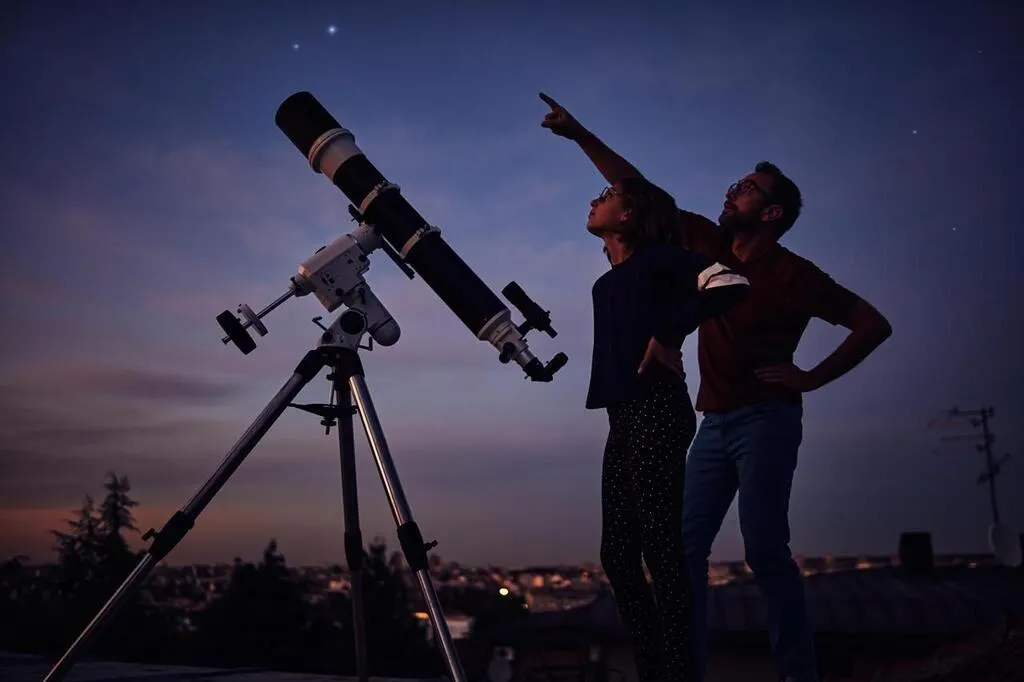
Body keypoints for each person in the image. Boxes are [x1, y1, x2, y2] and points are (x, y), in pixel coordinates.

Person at [539, 93, 892, 682]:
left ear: (773, 214)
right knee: (680, 552)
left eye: (748, 189)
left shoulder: (796, 275)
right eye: (735, 184)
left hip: (767, 419)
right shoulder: (704, 243)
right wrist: (579, 135)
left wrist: (810, 377)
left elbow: (872, 325)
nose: (733, 192)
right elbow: (637, 190)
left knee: (764, 551)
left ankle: (794, 673)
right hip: (712, 420)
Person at [582, 177, 749, 682]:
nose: (594, 201)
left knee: (660, 546)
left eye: (607, 196)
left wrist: (671, 331)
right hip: (622, 416)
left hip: (656, 408)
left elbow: (732, 282)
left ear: (629, 215)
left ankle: (677, 674)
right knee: (617, 553)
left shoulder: (658, 259)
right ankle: (655, 671)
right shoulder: (607, 280)